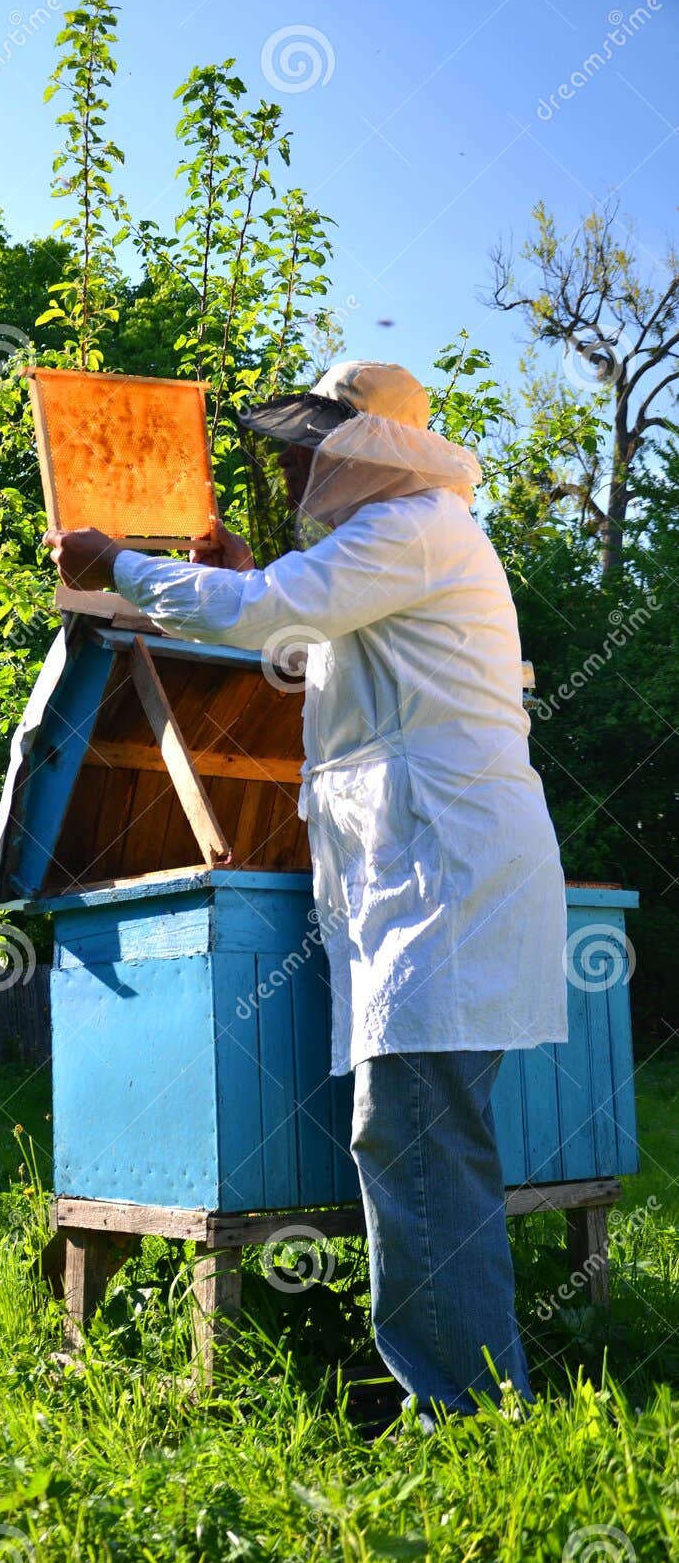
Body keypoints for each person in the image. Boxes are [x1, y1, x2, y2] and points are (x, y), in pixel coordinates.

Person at [44, 358, 568, 1429]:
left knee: (415, 1136)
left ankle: (466, 1411)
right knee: (422, 1137)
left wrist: (121, 565)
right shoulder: (386, 547)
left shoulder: (413, 528)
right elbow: (288, 630)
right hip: (424, 885)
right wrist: (238, 574)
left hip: (445, 885)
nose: (288, 460)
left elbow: (269, 613)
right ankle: (468, 1397)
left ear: (365, 448)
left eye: (307, 442)